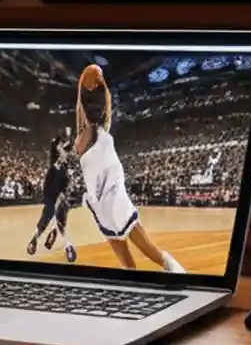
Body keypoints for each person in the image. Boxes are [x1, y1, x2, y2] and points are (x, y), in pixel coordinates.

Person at [74, 65, 185, 273]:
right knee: (113, 224)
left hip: (100, 156)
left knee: (121, 217)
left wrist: (84, 135)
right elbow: (90, 119)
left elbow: (92, 115)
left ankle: (167, 264)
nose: (99, 76)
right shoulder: (91, 99)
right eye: (97, 73)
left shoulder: (97, 96)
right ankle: (141, 270)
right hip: (96, 156)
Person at [27, 131, 78, 263]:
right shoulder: (53, 160)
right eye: (62, 148)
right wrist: (62, 138)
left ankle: (68, 246)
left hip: (60, 198)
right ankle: (34, 239)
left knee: (60, 224)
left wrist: (61, 198)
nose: (65, 152)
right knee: (44, 223)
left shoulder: (65, 169)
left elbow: (64, 187)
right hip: (50, 197)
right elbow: (56, 146)